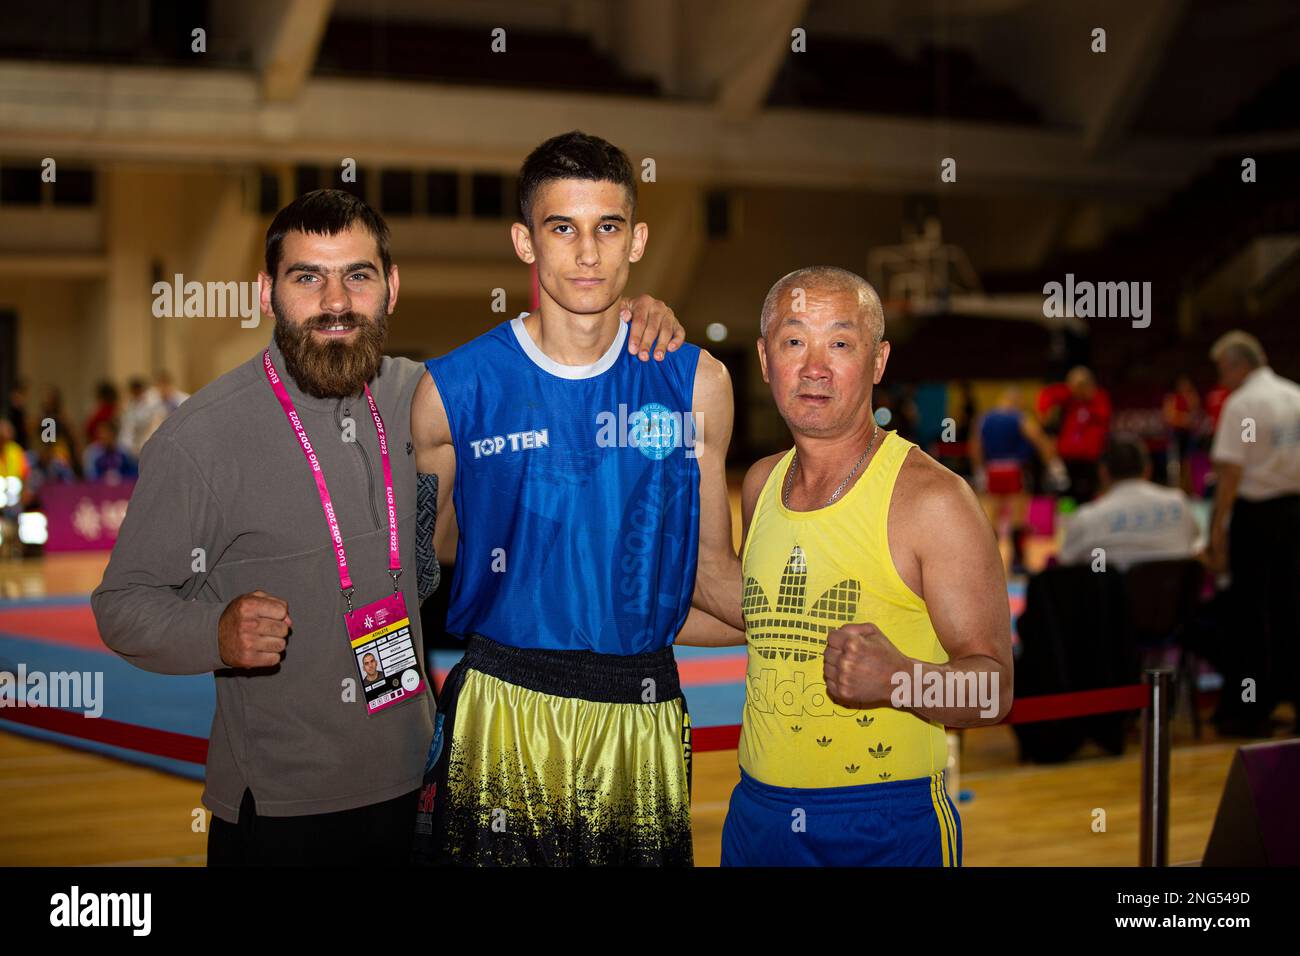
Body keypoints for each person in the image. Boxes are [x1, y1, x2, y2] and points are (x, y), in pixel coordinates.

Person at [92, 188, 688, 866]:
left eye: (358, 275)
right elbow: (122, 604)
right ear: (267, 293)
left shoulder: (428, 395)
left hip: (423, 784)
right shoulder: (202, 440)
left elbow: (552, 359)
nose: (336, 301)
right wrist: (215, 633)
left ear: (392, 288)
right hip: (283, 813)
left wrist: (628, 314)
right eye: (307, 277)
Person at [411, 131, 742, 866]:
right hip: (499, 706)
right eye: (563, 228)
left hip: (641, 709)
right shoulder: (449, 394)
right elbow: (425, 564)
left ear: (638, 240)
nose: (587, 252)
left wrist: (818, 619)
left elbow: (710, 576)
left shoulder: (697, 385)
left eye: (608, 227)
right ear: (525, 242)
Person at [718, 266, 1012, 866]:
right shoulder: (760, 483)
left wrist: (898, 679)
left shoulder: (933, 500)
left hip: (884, 821)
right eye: (794, 341)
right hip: (757, 816)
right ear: (766, 358)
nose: (814, 367)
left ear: (878, 362)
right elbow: (764, 619)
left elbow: (994, 691)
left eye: (841, 344)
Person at [1205, 331, 1300, 737]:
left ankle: (1249, 709)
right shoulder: (1296, 395)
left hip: (1257, 516)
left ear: (1237, 364)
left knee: (1249, 616)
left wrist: (1216, 532)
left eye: (1222, 370)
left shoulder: (1243, 404)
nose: (1221, 380)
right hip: (1295, 512)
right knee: (1292, 610)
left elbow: (1231, 473)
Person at [1058, 433, 1202, 571]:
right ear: (1148, 469)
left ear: (1103, 472)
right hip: (1174, 595)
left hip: (1111, 596)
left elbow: (1066, 564)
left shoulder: (1087, 518)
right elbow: (1195, 548)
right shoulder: (1179, 504)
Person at [971, 386, 1064, 574]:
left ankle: (987, 564)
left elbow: (975, 446)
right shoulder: (1019, 417)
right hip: (1013, 470)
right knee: (1016, 517)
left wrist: (980, 470)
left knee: (991, 516)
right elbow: (1039, 439)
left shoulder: (984, 419)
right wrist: (1054, 464)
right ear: (1017, 402)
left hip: (993, 470)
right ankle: (1017, 562)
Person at [1039, 367, 1111, 502]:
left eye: (1081, 385)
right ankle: (1068, 520)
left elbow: (1103, 420)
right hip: (1068, 457)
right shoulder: (1069, 399)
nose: (1078, 389)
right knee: (1066, 495)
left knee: (1089, 494)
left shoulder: (1099, 399)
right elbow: (1047, 395)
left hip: (1089, 458)